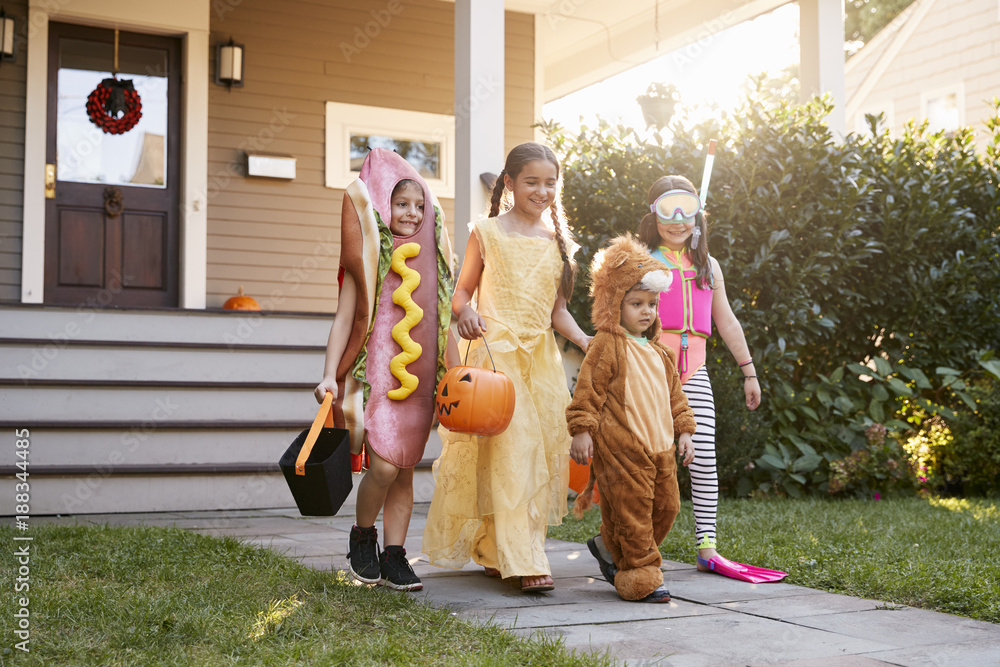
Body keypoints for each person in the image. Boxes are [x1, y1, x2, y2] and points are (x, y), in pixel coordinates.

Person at [422, 141, 591, 593]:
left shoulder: (558, 243)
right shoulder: (487, 232)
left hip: (540, 360)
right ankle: (527, 560)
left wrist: (584, 339)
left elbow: (557, 311)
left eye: (550, 183)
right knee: (511, 450)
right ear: (510, 183)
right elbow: (461, 294)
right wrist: (467, 313)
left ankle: (498, 549)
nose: (542, 191)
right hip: (495, 357)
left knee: (536, 456)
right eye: (532, 182)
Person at [315, 148, 454, 592]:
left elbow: (444, 319)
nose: (411, 214)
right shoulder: (368, 260)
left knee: (407, 467)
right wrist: (327, 374)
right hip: (376, 381)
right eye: (400, 204)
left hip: (419, 384)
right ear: (380, 205)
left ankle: (395, 554)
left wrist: (453, 375)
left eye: (419, 205)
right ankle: (362, 535)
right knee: (385, 467)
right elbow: (343, 318)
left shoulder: (431, 264)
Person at [638, 174, 786, 583]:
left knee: (703, 459)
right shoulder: (641, 262)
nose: (678, 219)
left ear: (698, 214)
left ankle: (707, 546)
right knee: (648, 459)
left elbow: (727, 321)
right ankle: (637, 544)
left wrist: (748, 371)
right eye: (668, 209)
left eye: (686, 208)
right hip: (649, 372)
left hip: (694, 373)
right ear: (654, 214)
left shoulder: (708, 266)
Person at [567, 234, 697, 602]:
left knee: (667, 507)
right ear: (614, 304)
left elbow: (676, 398)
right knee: (633, 510)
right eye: (636, 303)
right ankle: (640, 574)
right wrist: (582, 430)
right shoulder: (607, 345)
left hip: (660, 448)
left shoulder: (660, 353)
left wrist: (685, 431)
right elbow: (588, 390)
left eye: (651, 304)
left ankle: (609, 546)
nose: (646, 311)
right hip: (623, 446)